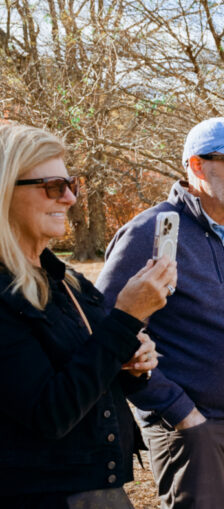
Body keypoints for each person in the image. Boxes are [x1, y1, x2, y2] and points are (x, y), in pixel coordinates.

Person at [96, 117, 224, 509]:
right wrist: (182, 415)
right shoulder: (149, 233)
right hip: (190, 430)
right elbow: (105, 329)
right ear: (197, 166)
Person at [0, 123, 174, 507]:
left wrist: (134, 363)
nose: (69, 199)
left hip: (100, 490)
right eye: (52, 187)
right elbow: (50, 413)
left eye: (71, 185)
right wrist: (127, 318)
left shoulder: (68, 281)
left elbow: (96, 371)